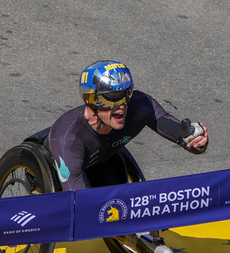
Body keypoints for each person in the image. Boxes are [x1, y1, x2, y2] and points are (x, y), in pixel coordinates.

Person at [45, 60, 208, 191]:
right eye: (114, 97)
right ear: (91, 100)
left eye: (126, 94)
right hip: (62, 171)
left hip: (101, 164)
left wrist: (197, 141)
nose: (122, 105)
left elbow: (185, 139)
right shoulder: (68, 140)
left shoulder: (141, 106)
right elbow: (81, 205)